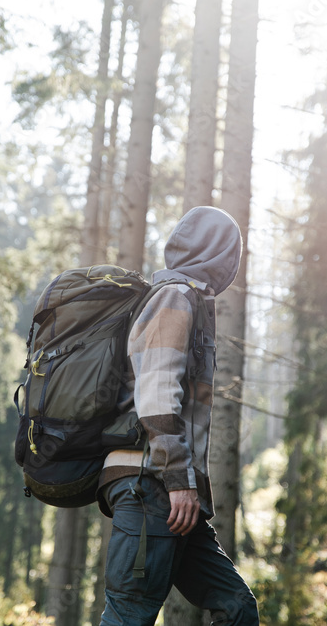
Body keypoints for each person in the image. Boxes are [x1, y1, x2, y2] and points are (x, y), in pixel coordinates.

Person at [97, 206, 260, 626]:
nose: (233, 266)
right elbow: (155, 393)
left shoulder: (190, 299)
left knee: (237, 608)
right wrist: (177, 481)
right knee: (128, 616)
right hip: (151, 485)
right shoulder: (175, 296)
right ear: (217, 252)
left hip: (169, 491)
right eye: (232, 253)